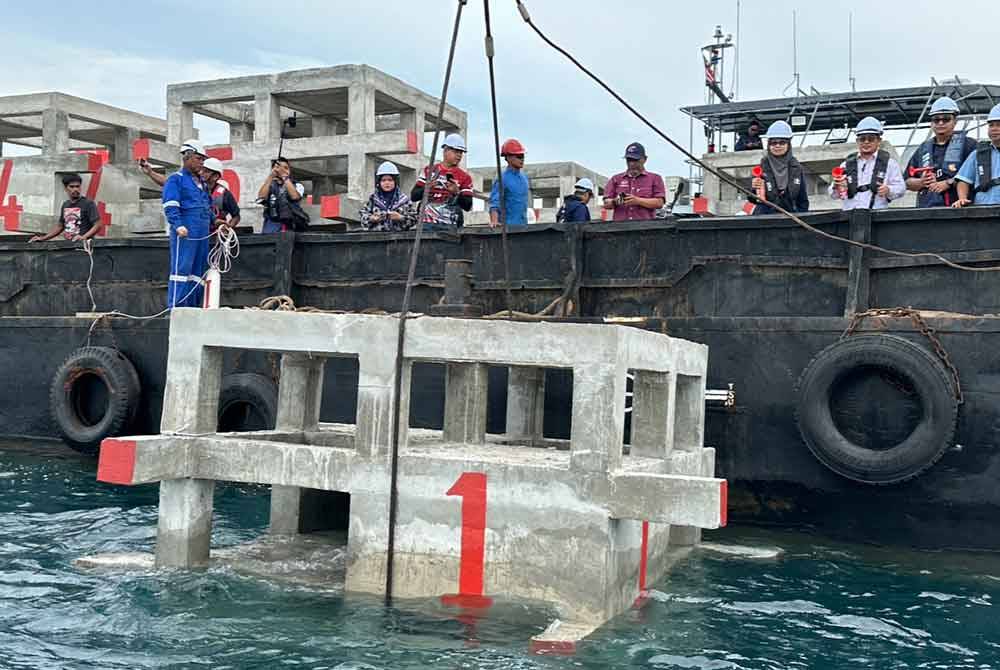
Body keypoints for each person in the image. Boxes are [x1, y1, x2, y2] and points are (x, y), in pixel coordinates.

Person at [163, 140, 211, 308]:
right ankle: (176, 308)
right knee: (182, 270)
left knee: (198, 272)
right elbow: (170, 205)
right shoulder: (176, 180)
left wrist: (218, 223)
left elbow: (207, 207)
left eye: (203, 160)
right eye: (199, 159)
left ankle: (193, 308)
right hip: (186, 232)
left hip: (202, 233)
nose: (201, 163)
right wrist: (178, 225)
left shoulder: (202, 183)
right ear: (188, 157)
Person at [904, 96, 976, 208]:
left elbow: (979, 175)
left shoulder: (970, 145)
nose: (941, 123)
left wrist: (949, 183)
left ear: (955, 121)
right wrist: (922, 182)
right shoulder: (923, 149)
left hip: (960, 211)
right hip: (927, 211)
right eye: (936, 119)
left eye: (946, 119)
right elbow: (907, 181)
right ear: (931, 123)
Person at [829, 117, 905, 210]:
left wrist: (888, 190)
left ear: (879, 141)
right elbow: (833, 195)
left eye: (871, 139)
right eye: (862, 139)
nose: (866, 142)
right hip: (850, 215)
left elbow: (901, 188)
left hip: (878, 215)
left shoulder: (890, 164)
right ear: (857, 141)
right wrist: (836, 187)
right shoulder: (846, 165)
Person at [411, 133, 473, 229]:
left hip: (451, 226)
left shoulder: (465, 177)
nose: (459, 155)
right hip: (426, 225)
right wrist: (427, 187)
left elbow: (468, 206)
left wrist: (457, 192)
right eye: (456, 151)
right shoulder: (428, 170)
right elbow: (414, 196)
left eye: (461, 152)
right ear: (445, 150)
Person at [749, 121, 809, 215]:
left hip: (791, 219)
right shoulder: (760, 169)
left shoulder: (797, 168)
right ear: (769, 145)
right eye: (773, 143)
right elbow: (752, 199)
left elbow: (803, 201)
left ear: (788, 144)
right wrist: (753, 189)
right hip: (765, 220)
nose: (777, 146)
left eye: (782, 142)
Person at [29, 173, 101, 242]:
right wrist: (43, 238)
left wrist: (83, 237)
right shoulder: (65, 205)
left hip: (84, 246)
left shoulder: (88, 203)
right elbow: (60, 227)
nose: (75, 189)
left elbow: (98, 225)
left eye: (77, 186)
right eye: (72, 187)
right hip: (68, 245)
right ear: (66, 188)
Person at [603, 142, 666, 221]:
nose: (631, 163)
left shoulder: (655, 178)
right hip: (620, 229)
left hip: (646, 229)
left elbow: (659, 203)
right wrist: (615, 201)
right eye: (629, 160)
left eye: (635, 160)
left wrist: (638, 201)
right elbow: (606, 203)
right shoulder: (615, 179)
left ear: (645, 159)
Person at [953, 104, 1000, 208]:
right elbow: (963, 180)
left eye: (998, 125)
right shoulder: (978, 154)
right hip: (983, 212)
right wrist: (962, 198)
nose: (994, 129)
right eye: (991, 125)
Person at [359, 161, 418, 231]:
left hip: (400, 239)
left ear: (395, 182)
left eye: (390, 180)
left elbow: (414, 219)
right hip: (376, 239)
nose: (387, 183)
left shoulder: (404, 200)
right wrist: (372, 218)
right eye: (383, 180)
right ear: (379, 182)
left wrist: (400, 217)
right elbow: (363, 216)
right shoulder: (373, 199)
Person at [257, 156, 307, 233]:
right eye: (279, 168)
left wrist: (284, 177)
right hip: (272, 223)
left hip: (292, 223)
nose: (282, 170)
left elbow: (295, 197)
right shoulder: (269, 184)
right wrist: (271, 177)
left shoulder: (297, 185)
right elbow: (261, 197)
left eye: (286, 168)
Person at [488, 138, 531, 228]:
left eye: (522, 156)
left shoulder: (524, 178)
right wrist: (494, 221)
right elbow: (494, 203)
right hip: (508, 228)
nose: (522, 159)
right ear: (508, 157)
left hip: (523, 226)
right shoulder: (502, 179)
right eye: (518, 156)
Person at [202, 157, 240, 232]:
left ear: (215, 176)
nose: (201, 173)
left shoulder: (225, 194)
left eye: (206, 172)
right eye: (201, 170)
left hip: (217, 235)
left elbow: (236, 216)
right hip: (198, 234)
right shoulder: (195, 190)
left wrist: (228, 227)